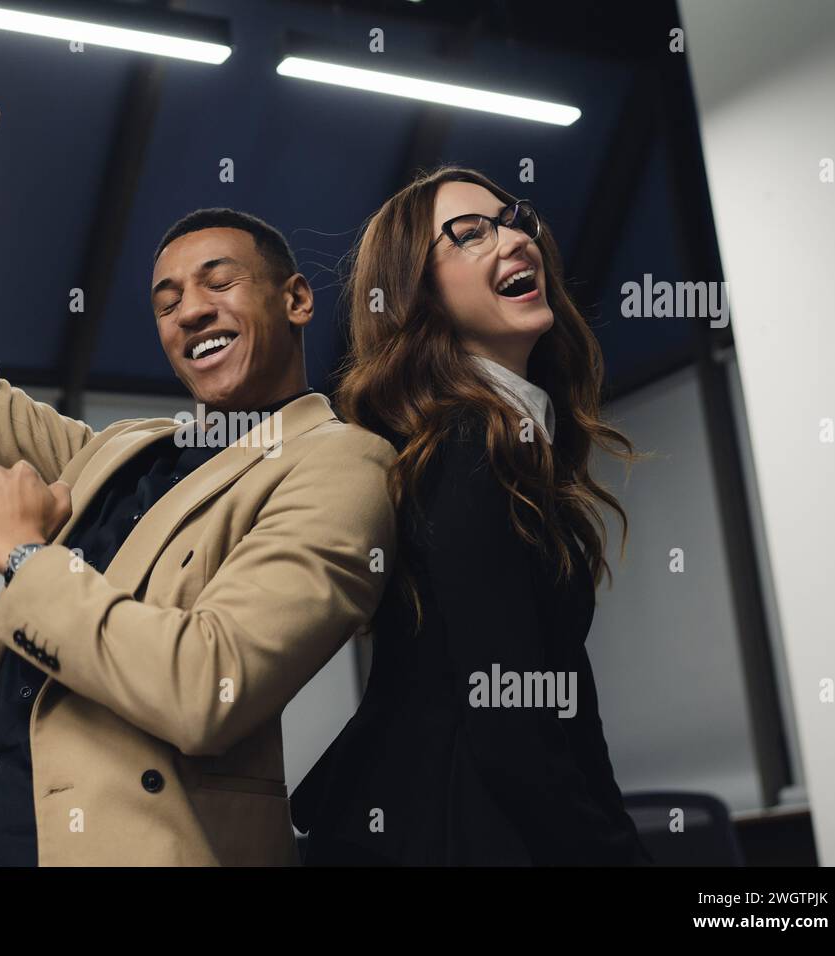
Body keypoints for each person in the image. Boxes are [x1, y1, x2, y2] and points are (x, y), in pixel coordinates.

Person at [0, 92, 397, 866]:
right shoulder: (119, 448)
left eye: (219, 282)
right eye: (167, 300)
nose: (189, 311)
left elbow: (208, 685)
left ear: (295, 299)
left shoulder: (342, 460)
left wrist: (25, 559)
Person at [290, 165, 652, 865]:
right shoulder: (463, 451)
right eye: (471, 233)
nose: (515, 238)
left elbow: (559, 702)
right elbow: (511, 723)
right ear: (413, 292)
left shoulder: (504, 444)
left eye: (516, 219)